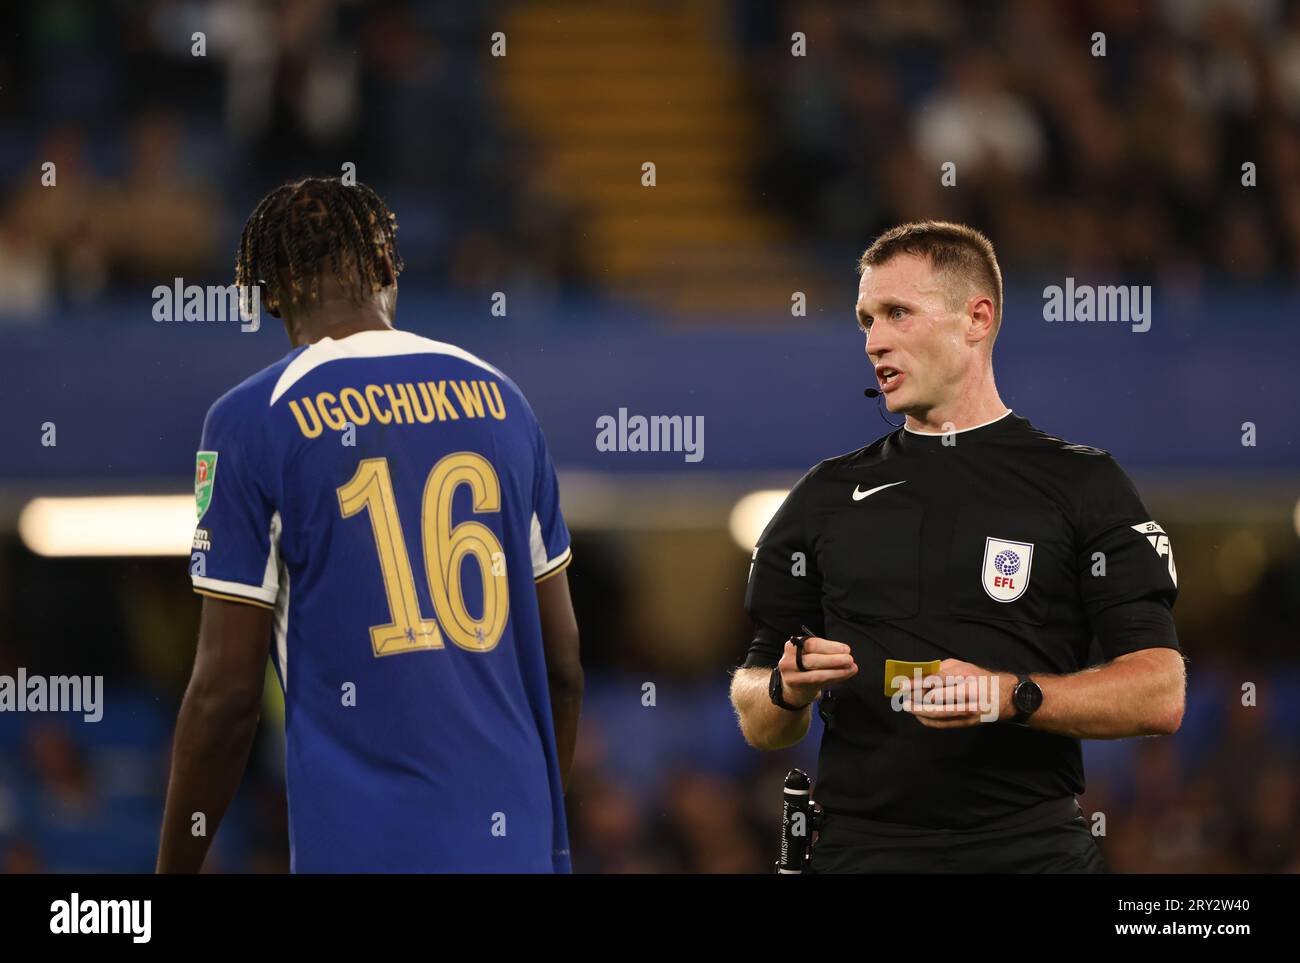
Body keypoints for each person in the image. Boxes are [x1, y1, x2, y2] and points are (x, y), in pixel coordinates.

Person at [729, 220, 1184, 873]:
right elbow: (756, 712)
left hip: (1029, 853)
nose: (874, 340)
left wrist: (1012, 695)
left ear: (976, 318)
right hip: (862, 852)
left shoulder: (1084, 484)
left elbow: (1159, 692)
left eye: (897, 313)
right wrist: (783, 687)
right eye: (865, 320)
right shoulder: (824, 495)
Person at [158, 177, 582, 872]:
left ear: (269, 290)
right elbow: (562, 663)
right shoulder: (504, 400)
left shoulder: (249, 419)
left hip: (366, 847)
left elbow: (227, 696)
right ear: (387, 268)